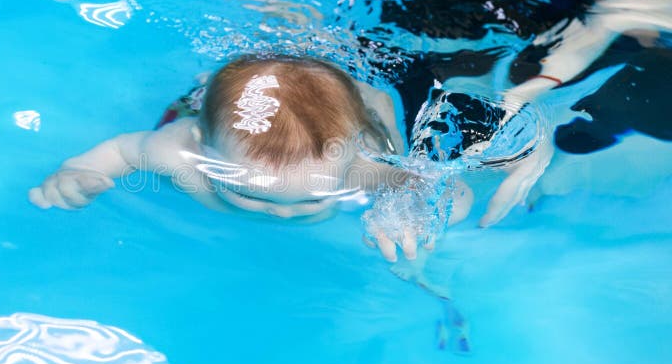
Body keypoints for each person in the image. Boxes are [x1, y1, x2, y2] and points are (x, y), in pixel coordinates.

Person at [29, 55, 476, 262]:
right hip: (214, 115)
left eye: (311, 199)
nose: (280, 213)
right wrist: (78, 173)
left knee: (376, 113)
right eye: (248, 194)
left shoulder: (361, 169)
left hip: (356, 111)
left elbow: (452, 190)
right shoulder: (178, 152)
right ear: (201, 147)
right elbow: (120, 150)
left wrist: (415, 211)